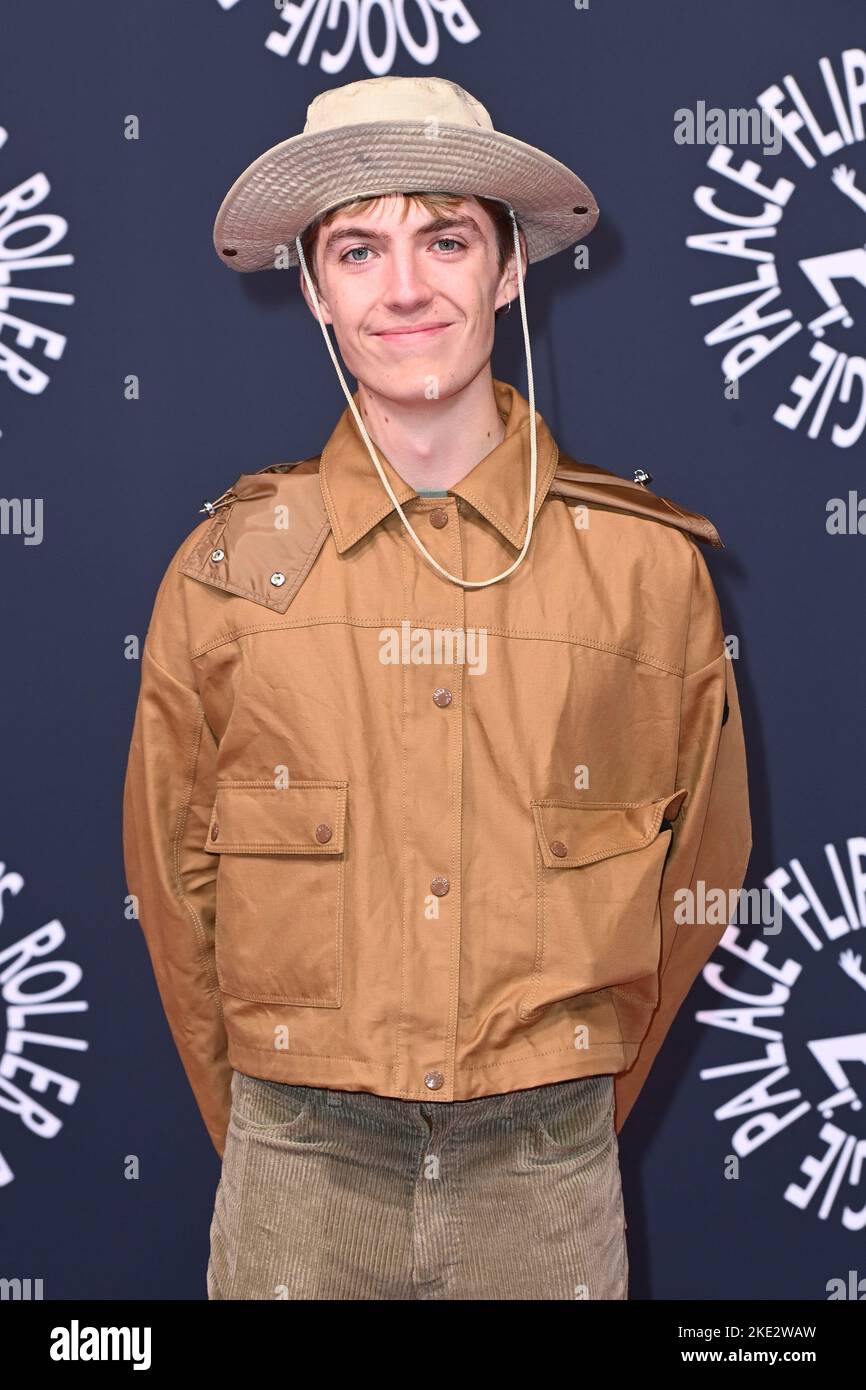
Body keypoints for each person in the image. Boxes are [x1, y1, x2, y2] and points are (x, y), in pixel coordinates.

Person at [122, 75, 752, 1300]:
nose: (403, 288)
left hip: (546, 1176)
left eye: (445, 238)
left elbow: (699, 878)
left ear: (509, 267)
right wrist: (271, 1128)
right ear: (311, 288)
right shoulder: (225, 570)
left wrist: (563, 1108)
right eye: (357, 248)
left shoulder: (647, 570)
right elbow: (171, 885)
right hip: (295, 1172)